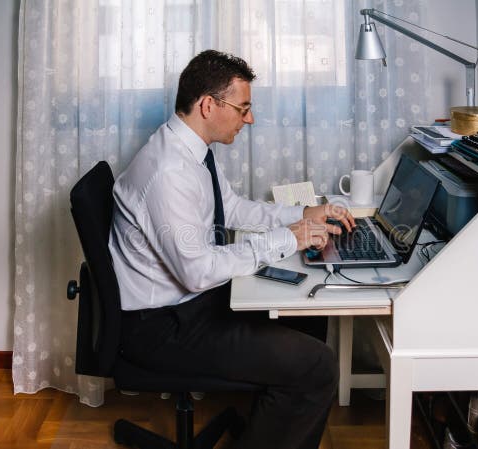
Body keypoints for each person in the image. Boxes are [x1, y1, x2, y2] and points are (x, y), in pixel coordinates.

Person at [109, 49, 356, 449]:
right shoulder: (167, 172)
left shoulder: (192, 149)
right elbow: (197, 271)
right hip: (164, 325)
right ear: (209, 104)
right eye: (243, 109)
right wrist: (287, 238)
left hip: (189, 303)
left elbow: (234, 208)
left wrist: (306, 213)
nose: (250, 119)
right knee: (318, 365)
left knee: (308, 315)